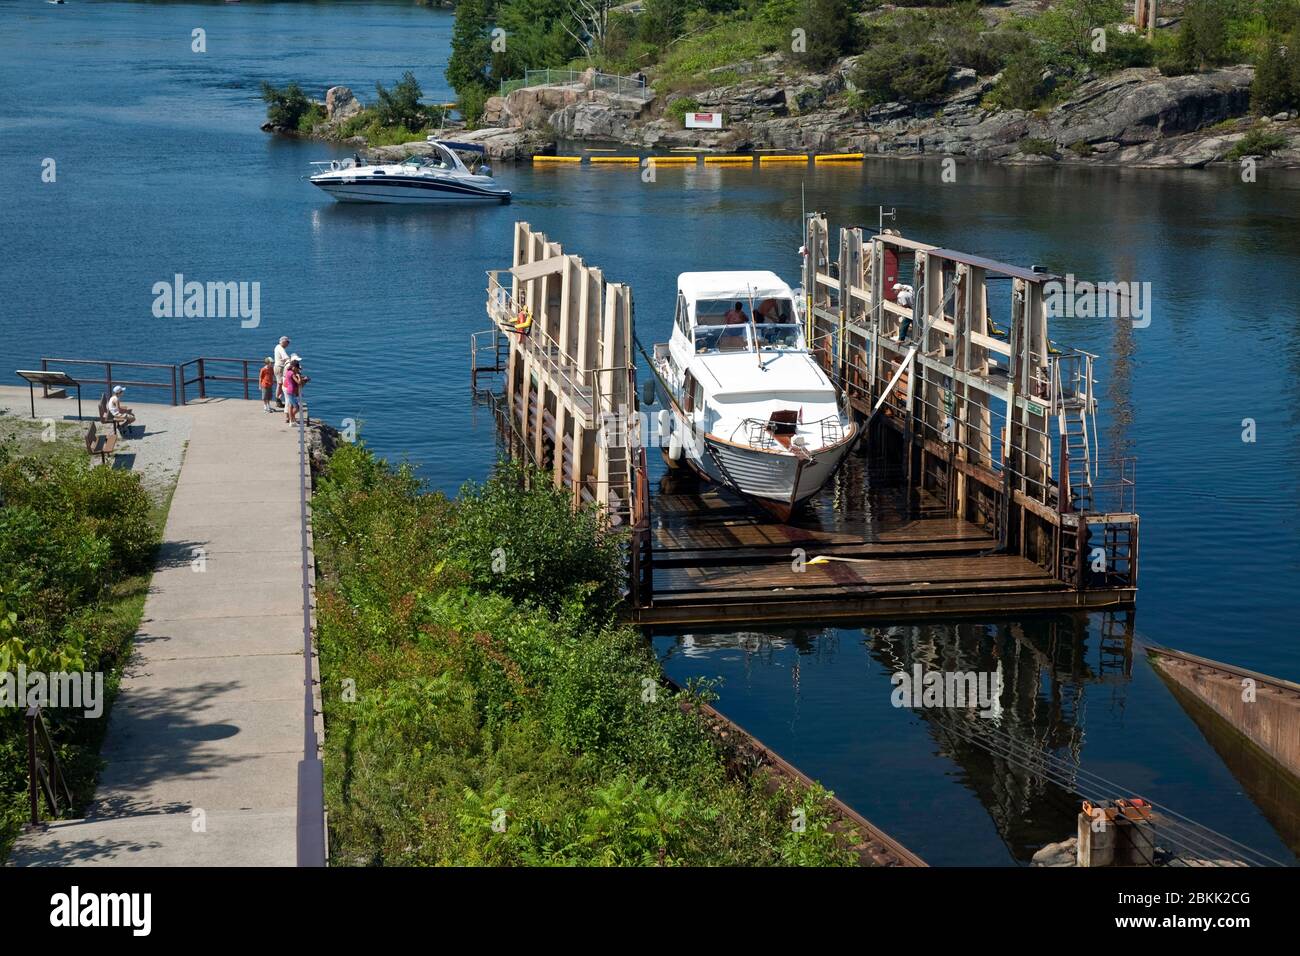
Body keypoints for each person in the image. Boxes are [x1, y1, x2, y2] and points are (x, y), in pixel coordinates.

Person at [283, 356, 309, 425]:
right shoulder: (292, 373)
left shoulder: (288, 372)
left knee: (291, 405)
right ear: (294, 367)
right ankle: (292, 417)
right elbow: (298, 382)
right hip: (291, 391)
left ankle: (292, 421)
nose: (298, 370)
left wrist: (300, 376)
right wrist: (299, 376)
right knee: (297, 407)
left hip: (290, 390)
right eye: (297, 368)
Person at [273, 336, 291, 406]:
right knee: (280, 384)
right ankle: (278, 400)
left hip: (278, 367)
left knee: (280, 384)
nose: (288, 344)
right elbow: (286, 357)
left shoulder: (277, 347)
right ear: (283, 342)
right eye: (287, 342)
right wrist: (292, 361)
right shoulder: (281, 349)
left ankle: (278, 399)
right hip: (279, 368)